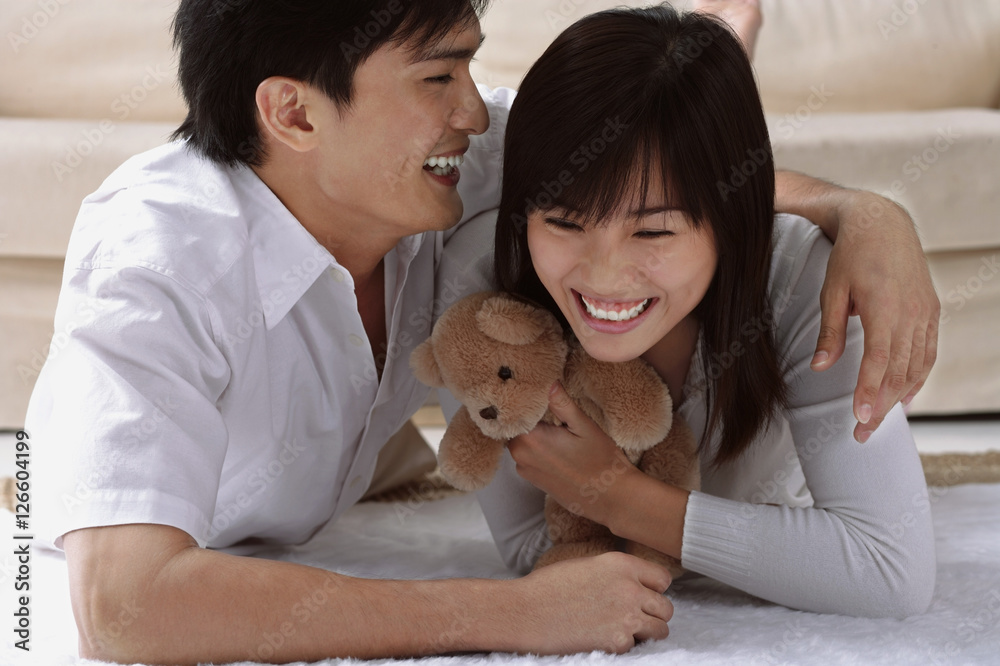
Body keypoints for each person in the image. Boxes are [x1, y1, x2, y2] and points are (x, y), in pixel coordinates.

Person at [25, 0, 936, 662]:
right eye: (438, 77)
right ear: (295, 114)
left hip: (342, 473)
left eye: (469, 68)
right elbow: (126, 611)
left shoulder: (443, 158)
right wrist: (515, 616)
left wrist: (865, 213)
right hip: (185, 514)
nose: (475, 108)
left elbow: (661, 169)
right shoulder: (155, 259)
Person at [482, 4, 935, 618]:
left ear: (731, 224)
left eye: (653, 234)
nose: (603, 275)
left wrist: (618, 496)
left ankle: (728, 27)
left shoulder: (807, 280)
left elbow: (890, 573)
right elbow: (528, 547)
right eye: (563, 222)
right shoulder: (497, 304)